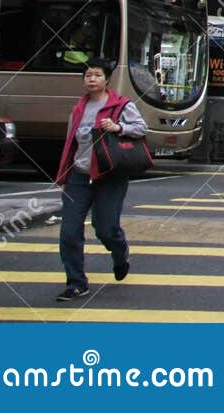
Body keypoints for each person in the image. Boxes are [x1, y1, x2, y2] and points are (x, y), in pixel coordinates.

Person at [54, 57, 145, 301]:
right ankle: (76, 282)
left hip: (109, 176)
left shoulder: (121, 106)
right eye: (87, 75)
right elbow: (70, 145)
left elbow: (141, 128)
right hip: (79, 176)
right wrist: (64, 173)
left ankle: (120, 252)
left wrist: (118, 128)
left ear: (106, 79)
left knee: (105, 229)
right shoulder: (79, 108)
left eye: (96, 75)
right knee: (69, 231)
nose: (91, 79)